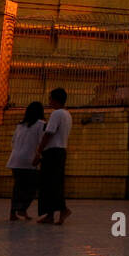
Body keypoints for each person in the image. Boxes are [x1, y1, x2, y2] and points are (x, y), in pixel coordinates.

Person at [34, 88, 73, 225]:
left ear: (55, 100)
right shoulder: (67, 114)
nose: (49, 101)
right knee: (55, 183)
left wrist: (39, 151)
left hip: (52, 152)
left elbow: (49, 133)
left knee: (47, 183)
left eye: (50, 98)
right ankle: (51, 214)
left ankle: (60, 209)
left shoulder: (56, 114)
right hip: (61, 151)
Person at [7, 101, 46, 221]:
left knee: (18, 188)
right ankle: (22, 208)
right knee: (33, 188)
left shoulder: (20, 125)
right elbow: (42, 142)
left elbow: (13, 142)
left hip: (15, 160)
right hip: (29, 160)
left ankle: (13, 213)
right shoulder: (41, 124)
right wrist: (39, 156)